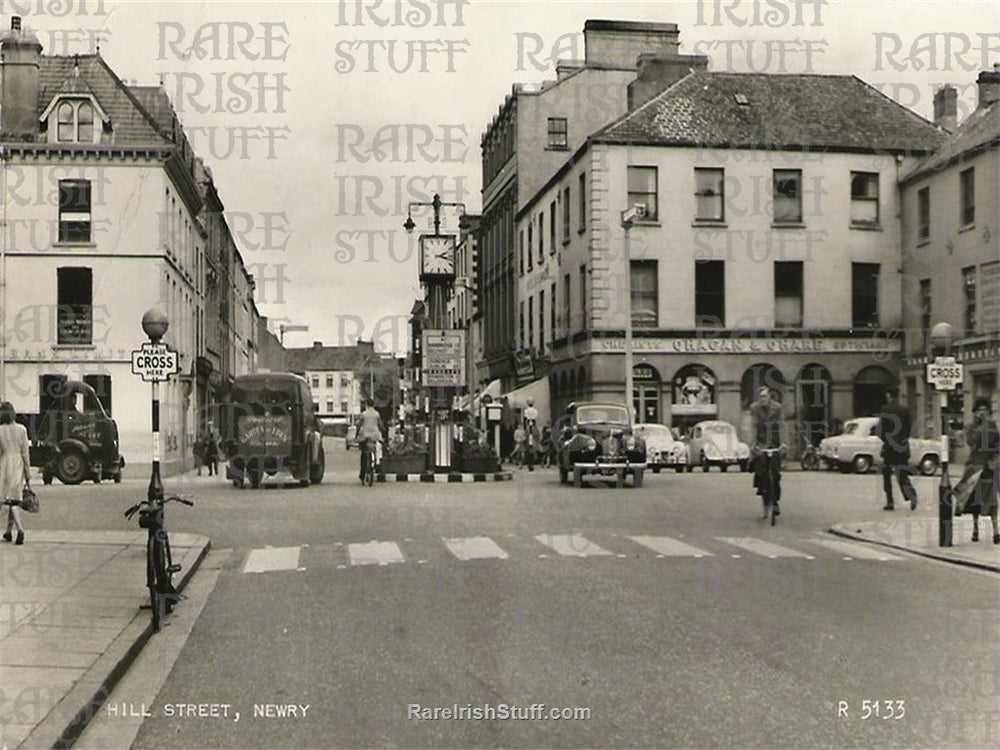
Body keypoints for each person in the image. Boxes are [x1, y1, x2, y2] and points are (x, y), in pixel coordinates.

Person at [953, 397, 1000, 543]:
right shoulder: (971, 427)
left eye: (985, 410)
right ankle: (975, 530)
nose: (982, 413)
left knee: (992, 501)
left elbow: (998, 443)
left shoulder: (993, 426)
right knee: (973, 500)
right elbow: (971, 442)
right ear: (975, 412)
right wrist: (981, 426)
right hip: (974, 468)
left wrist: (995, 459)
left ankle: (996, 532)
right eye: (979, 410)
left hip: (989, 467)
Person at [876, 386, 918, 511]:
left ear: (889, 396)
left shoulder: (885, 410)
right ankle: (911, 495)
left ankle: (890, 502)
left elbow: (881, 430)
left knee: (887, 474)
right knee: (902, 474)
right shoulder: (905, 410)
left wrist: (885, 440)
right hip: (903, 446)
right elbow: (910, 428)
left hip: (889, 446)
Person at [749, 386, 786, 519]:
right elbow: (752, 426)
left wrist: (783, 443)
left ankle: (775, 502)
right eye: (760, 397)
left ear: (769, 396)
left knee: (776, 475)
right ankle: (763, 494)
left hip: (775, 442)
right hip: (761, 442)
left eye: (765, 396)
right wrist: (753, 444)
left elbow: (782, 425)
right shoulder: (754, 408)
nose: (763, 399)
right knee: (761, 472)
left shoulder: (777, 408)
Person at [1, 401, 32, 545]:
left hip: (5, 464)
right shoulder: (22, 429)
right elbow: (25, 453)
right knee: (14, 499)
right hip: (18, 464)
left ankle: (8, 532)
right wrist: (28, 474)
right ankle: (20, 529)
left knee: (9, 498)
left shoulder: (0, 430)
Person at [357, 399, 383, 482]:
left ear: (366, 405)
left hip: (365, 436)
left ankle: (362, 473)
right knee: (377, 450)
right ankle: (376, 464)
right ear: (374, 405)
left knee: (363, 454)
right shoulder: (377, 414)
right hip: (375, 435)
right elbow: (380, 424)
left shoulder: (363, 414)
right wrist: (383, 430)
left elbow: (359, 425)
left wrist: (357, 434)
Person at [523, 397, 539, 472]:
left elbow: (525, 420)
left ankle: (530, 463)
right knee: (533, 445)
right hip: (533, 428)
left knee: (528, 446)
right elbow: (535, 420)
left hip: (529, 428)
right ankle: (531, 463)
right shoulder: (535, 411)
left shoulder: (526, 411)